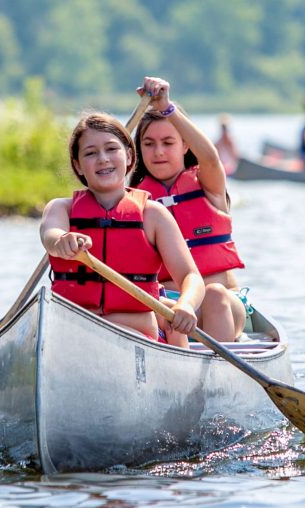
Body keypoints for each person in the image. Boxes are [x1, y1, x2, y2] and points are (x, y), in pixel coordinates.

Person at [41, 111, 205, 343]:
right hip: (71, 331)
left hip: (137, 335)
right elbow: (51, 235)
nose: (103, 159)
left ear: (129, 156)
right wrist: (62, 241)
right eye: (90, 153)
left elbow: (191, 276)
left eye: (111, 149)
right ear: (77, 166)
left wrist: (186, 304)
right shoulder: (61, 209)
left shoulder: (153, 215)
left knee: (173, 330)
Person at [130, 76, 247, 346]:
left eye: (168, 142)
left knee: (215, 294)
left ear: (185, 146)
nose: (158, 151)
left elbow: (210, 157)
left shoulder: (208, 185)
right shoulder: (136, 198)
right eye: (148, 144)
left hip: (224, 305)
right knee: (150, 307)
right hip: (168, 306)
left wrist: (167, 108)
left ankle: (221, 377)